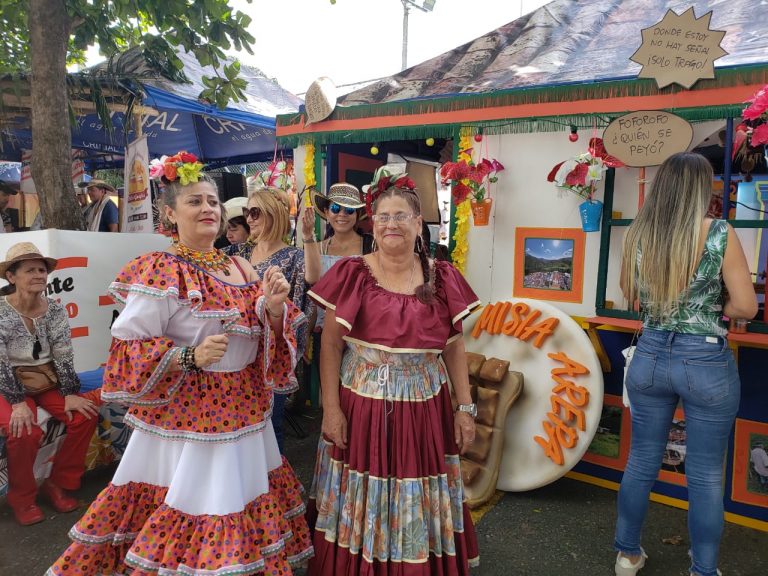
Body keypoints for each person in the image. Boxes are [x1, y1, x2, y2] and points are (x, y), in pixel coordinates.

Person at [47, 154, 313, 575]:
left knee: (237, 498)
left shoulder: (241, 264)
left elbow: (264, 335)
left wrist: (275, 310)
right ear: (170, 213)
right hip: (190, 417)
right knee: (199, 501)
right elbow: (126, 348)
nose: (208, 208)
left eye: (212, 201)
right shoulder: (162, 269)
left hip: (244, 412)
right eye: (195, 202)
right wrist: (189, 356)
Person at [306, 167, 480, 575]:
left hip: (425, 407)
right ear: (374, 224)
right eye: (383, 217)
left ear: (418, 223)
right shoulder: (353, 274)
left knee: (418, 487)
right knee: (362, 488)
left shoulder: (443, 277)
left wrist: (465, 408)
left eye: (401, 216)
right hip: (362, 402)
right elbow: (330, 346)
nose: (391, 225)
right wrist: (331, 411)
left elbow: (454, 348)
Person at [614, 152, 757, 576]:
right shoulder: (719, 233)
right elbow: (746, 307)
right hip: (705, 360)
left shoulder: (638, 234)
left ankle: (627, 555)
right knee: (707, 475)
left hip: (651, 354)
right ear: (700, 188)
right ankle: (703, 570)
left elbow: (632, 296)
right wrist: (716, 304)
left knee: (640, 461)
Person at [0, 242, 99, 526]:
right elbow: (1, 362)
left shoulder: (55, 311)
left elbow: (64, 355)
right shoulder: (1, 310)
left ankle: (58, 483)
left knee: (83, 414)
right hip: (7, 382)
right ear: (11, 276)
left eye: (42, 270)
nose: (38, 275)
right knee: (23, 431)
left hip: (46, 378)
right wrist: (18, 403)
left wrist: (68, 394)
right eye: (29, 270)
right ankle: (22, 498)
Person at [228, 184, 311, 452]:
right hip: (237, 355)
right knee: (237, 427)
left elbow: (305, 297)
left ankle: (273, 489)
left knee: (270, 429)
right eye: (246, 212)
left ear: (273, 215)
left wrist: (289, 358)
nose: (249, 219)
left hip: (271, 356)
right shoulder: (236, 254)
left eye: (255, 212)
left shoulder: (294, 257)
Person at [302, 182, 373, 323]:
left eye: (349, 210)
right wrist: (307, 236)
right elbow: (311, 280)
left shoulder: (370, 246)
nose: (342, 214)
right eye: (335, 208)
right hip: (322, 327)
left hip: (359, 326)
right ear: (327, 213)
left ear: (357, 215)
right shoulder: (317, 248)